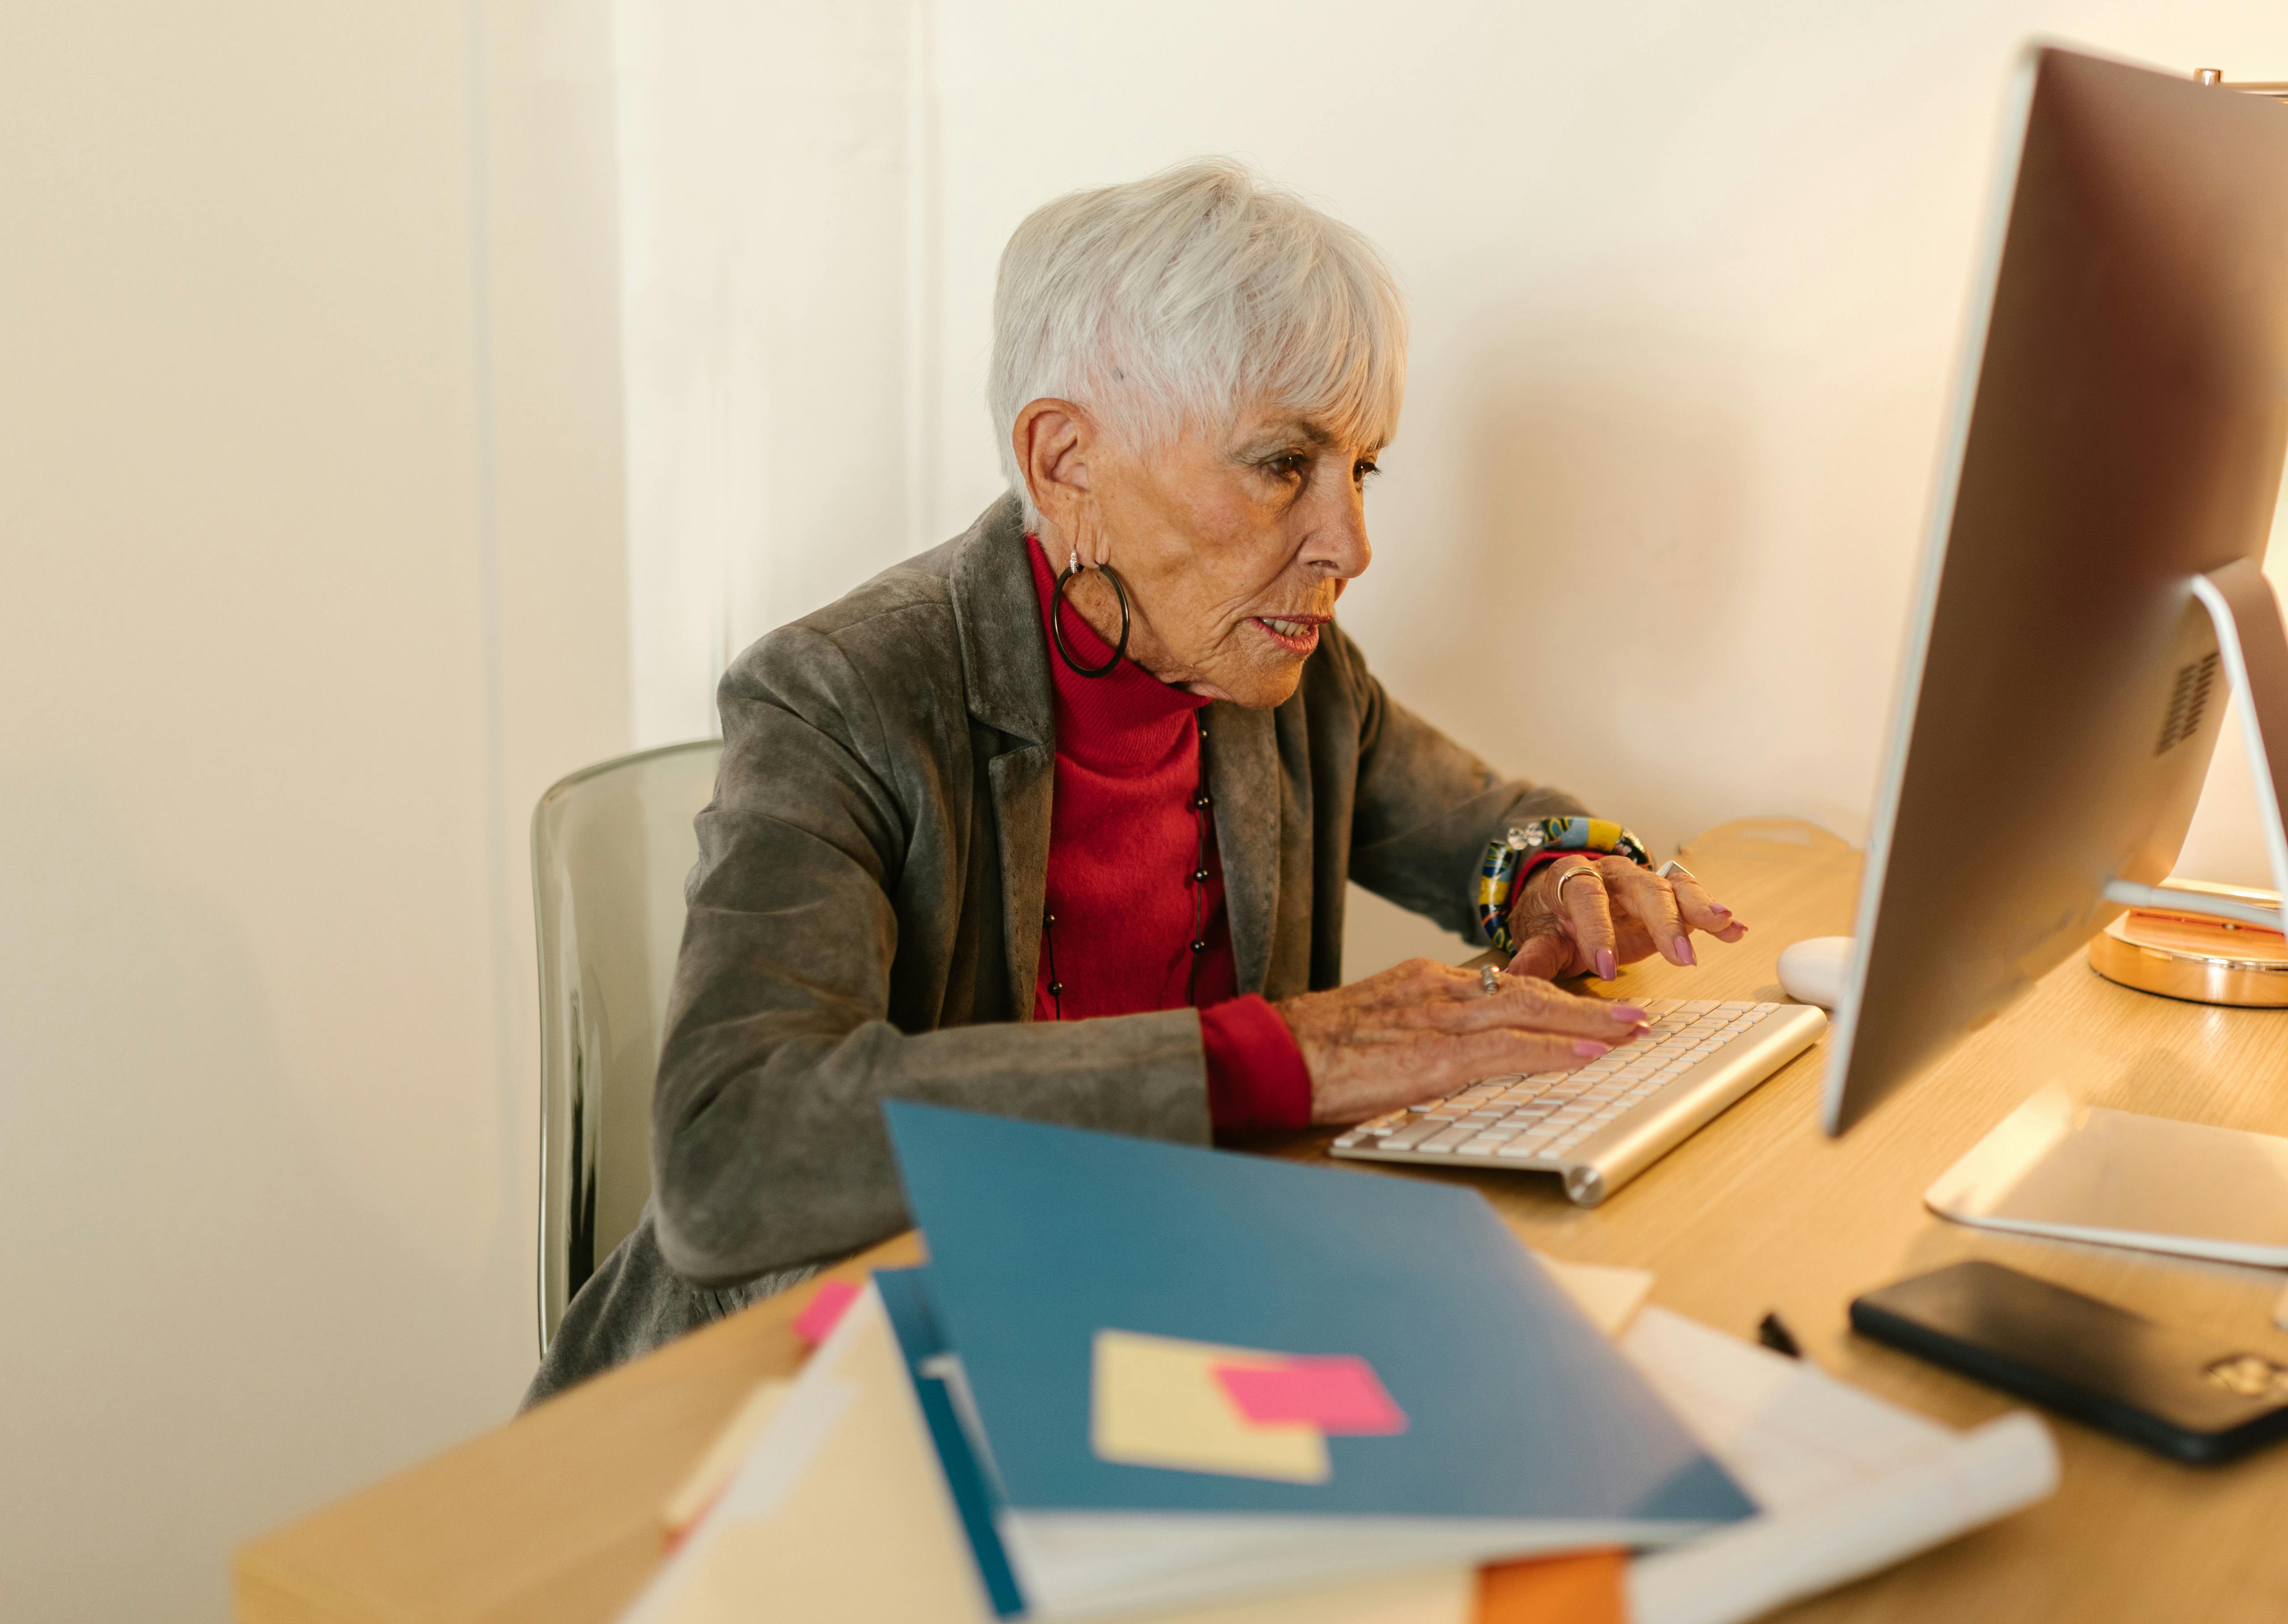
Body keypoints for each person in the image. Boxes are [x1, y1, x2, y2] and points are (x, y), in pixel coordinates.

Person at [530, 160, 1745, 1400]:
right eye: (1283, 464)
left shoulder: (1284, 672)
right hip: (800, 1386)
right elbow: (734, 1155)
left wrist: (1560, 871)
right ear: (1065, 464)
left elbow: (1483, 828)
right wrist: (1281, 1056)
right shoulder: (839, 694)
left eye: (1361, 469)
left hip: (1135, 1327)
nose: (1352, 545)